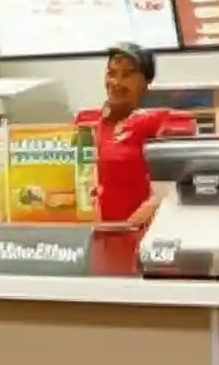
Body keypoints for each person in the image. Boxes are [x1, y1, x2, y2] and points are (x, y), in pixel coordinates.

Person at [76, 43, 193, 273]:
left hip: (141, 245)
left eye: (127, 75)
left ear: (146, 82)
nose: (116, 83)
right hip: (88, 243)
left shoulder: (163, 120)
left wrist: (129, 227)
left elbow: (176, 186)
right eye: (111, 73)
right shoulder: (84, 121)